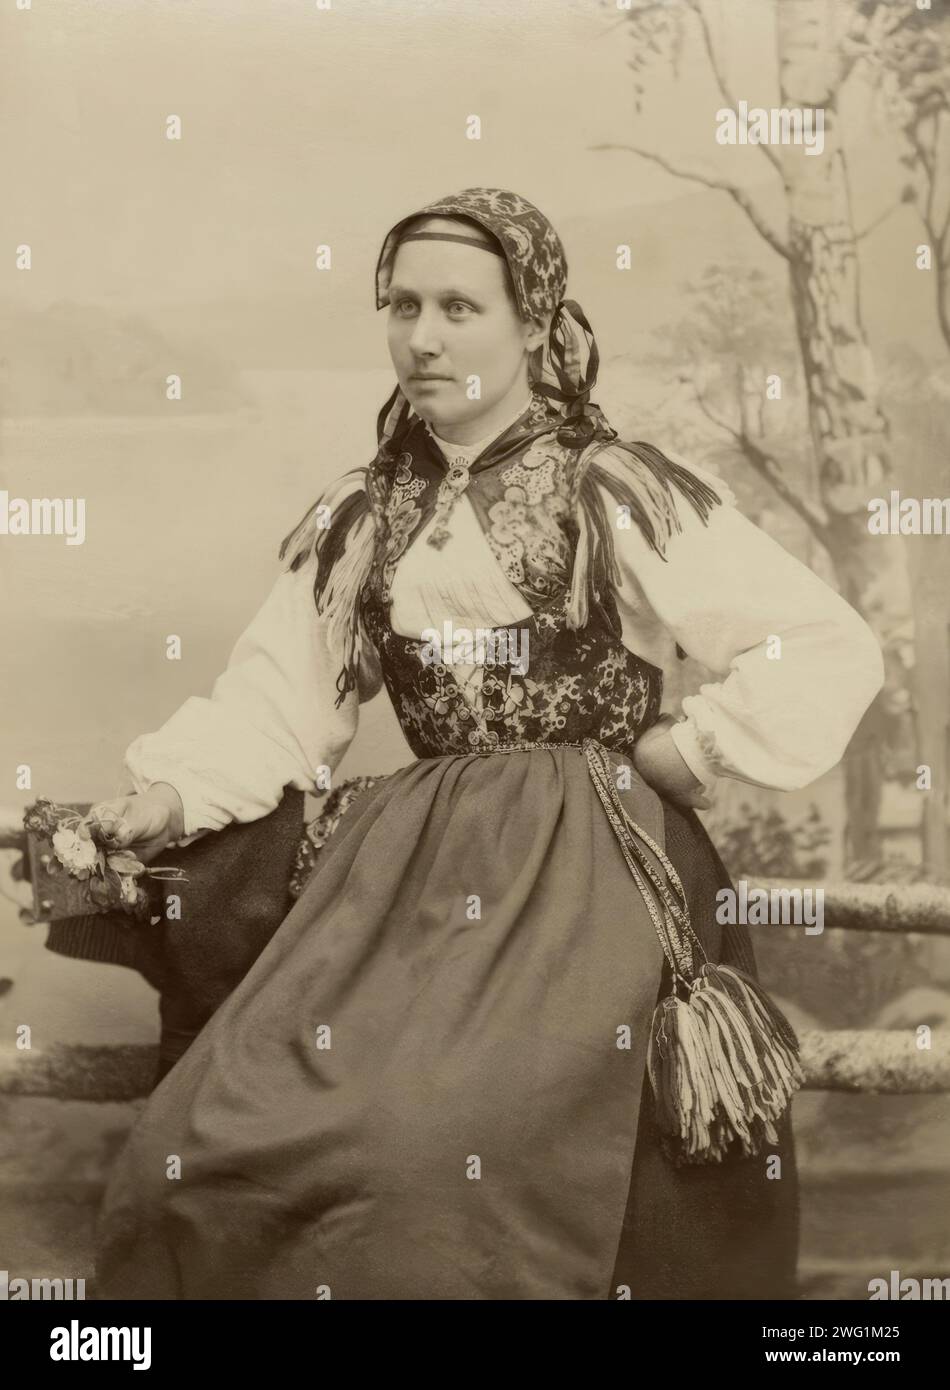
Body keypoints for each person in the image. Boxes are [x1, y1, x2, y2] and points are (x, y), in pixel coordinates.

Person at [88, 188, 884, 1300]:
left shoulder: (610, 488)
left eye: (459, 306)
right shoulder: (365, 512)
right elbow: (279, 699)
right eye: (401, 303)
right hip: (412, 884)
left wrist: (689, 749)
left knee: (429, 1162)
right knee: (215, 1147)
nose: (422, 336)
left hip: (590, 882)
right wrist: (171, 797)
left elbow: (820, 642)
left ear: (534, 323)